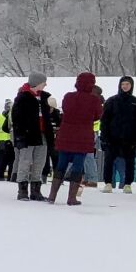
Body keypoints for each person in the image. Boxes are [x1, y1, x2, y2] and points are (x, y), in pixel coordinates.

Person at [46, 72, 104, 206]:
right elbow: (97, 115)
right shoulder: (94, 100)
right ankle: (71, 198)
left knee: (61, 165)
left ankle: (52, 196)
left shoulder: (68, 96)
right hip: (83, 137)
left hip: (66, 135)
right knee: (78, 166)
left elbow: (65, 109)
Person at [10, 73, 51, 202]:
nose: (45, 85)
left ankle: (36, 190)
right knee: (25, 160)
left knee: (40, 161)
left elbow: (50, 116)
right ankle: (22, 190)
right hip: (27, 134)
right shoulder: (23, 97)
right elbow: (16, 118)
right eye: (43, 82)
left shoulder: (46, 97)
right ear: (37, 82)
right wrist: (20, 135)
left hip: (43, 134)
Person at [100, 76, 136, 191]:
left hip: (130, 138)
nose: (125, 86)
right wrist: (104, 137)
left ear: (131, 86)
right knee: (109, 161)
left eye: (127, 84)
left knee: (130, 162)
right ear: (120, 85)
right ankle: (108, 183)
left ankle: (127, 184)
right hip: (112, 137)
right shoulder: (111, 101)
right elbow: (104, 120)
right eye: (123, 84)